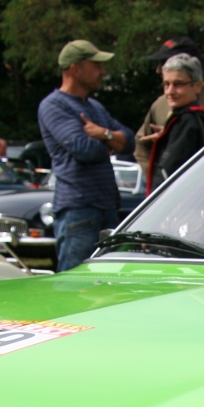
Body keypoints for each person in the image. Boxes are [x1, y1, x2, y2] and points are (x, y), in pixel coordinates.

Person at [38, 39, 131, 272]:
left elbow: (130, 141)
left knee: (108, 281)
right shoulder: (53, 106)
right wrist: (111, 142)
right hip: (77, 209)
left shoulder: (95, 107)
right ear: (75, 69)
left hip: (106, 205)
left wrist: (102, 133)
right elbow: (84, 149)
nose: (103, 71)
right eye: (96, 65)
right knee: (73, 285)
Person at [133, 37, 204, 175]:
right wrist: (156, 180)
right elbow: (141, 143)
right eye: (167, 84)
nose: (158, 70)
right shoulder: (160, 103)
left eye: (166, 62)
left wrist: (177, 133)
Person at [144, 53, 204, 191]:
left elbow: (168, 172)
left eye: (178, 84)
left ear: (197, 86)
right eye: (166, 84)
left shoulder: (187, 122)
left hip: (186, 206)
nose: (170, 91)